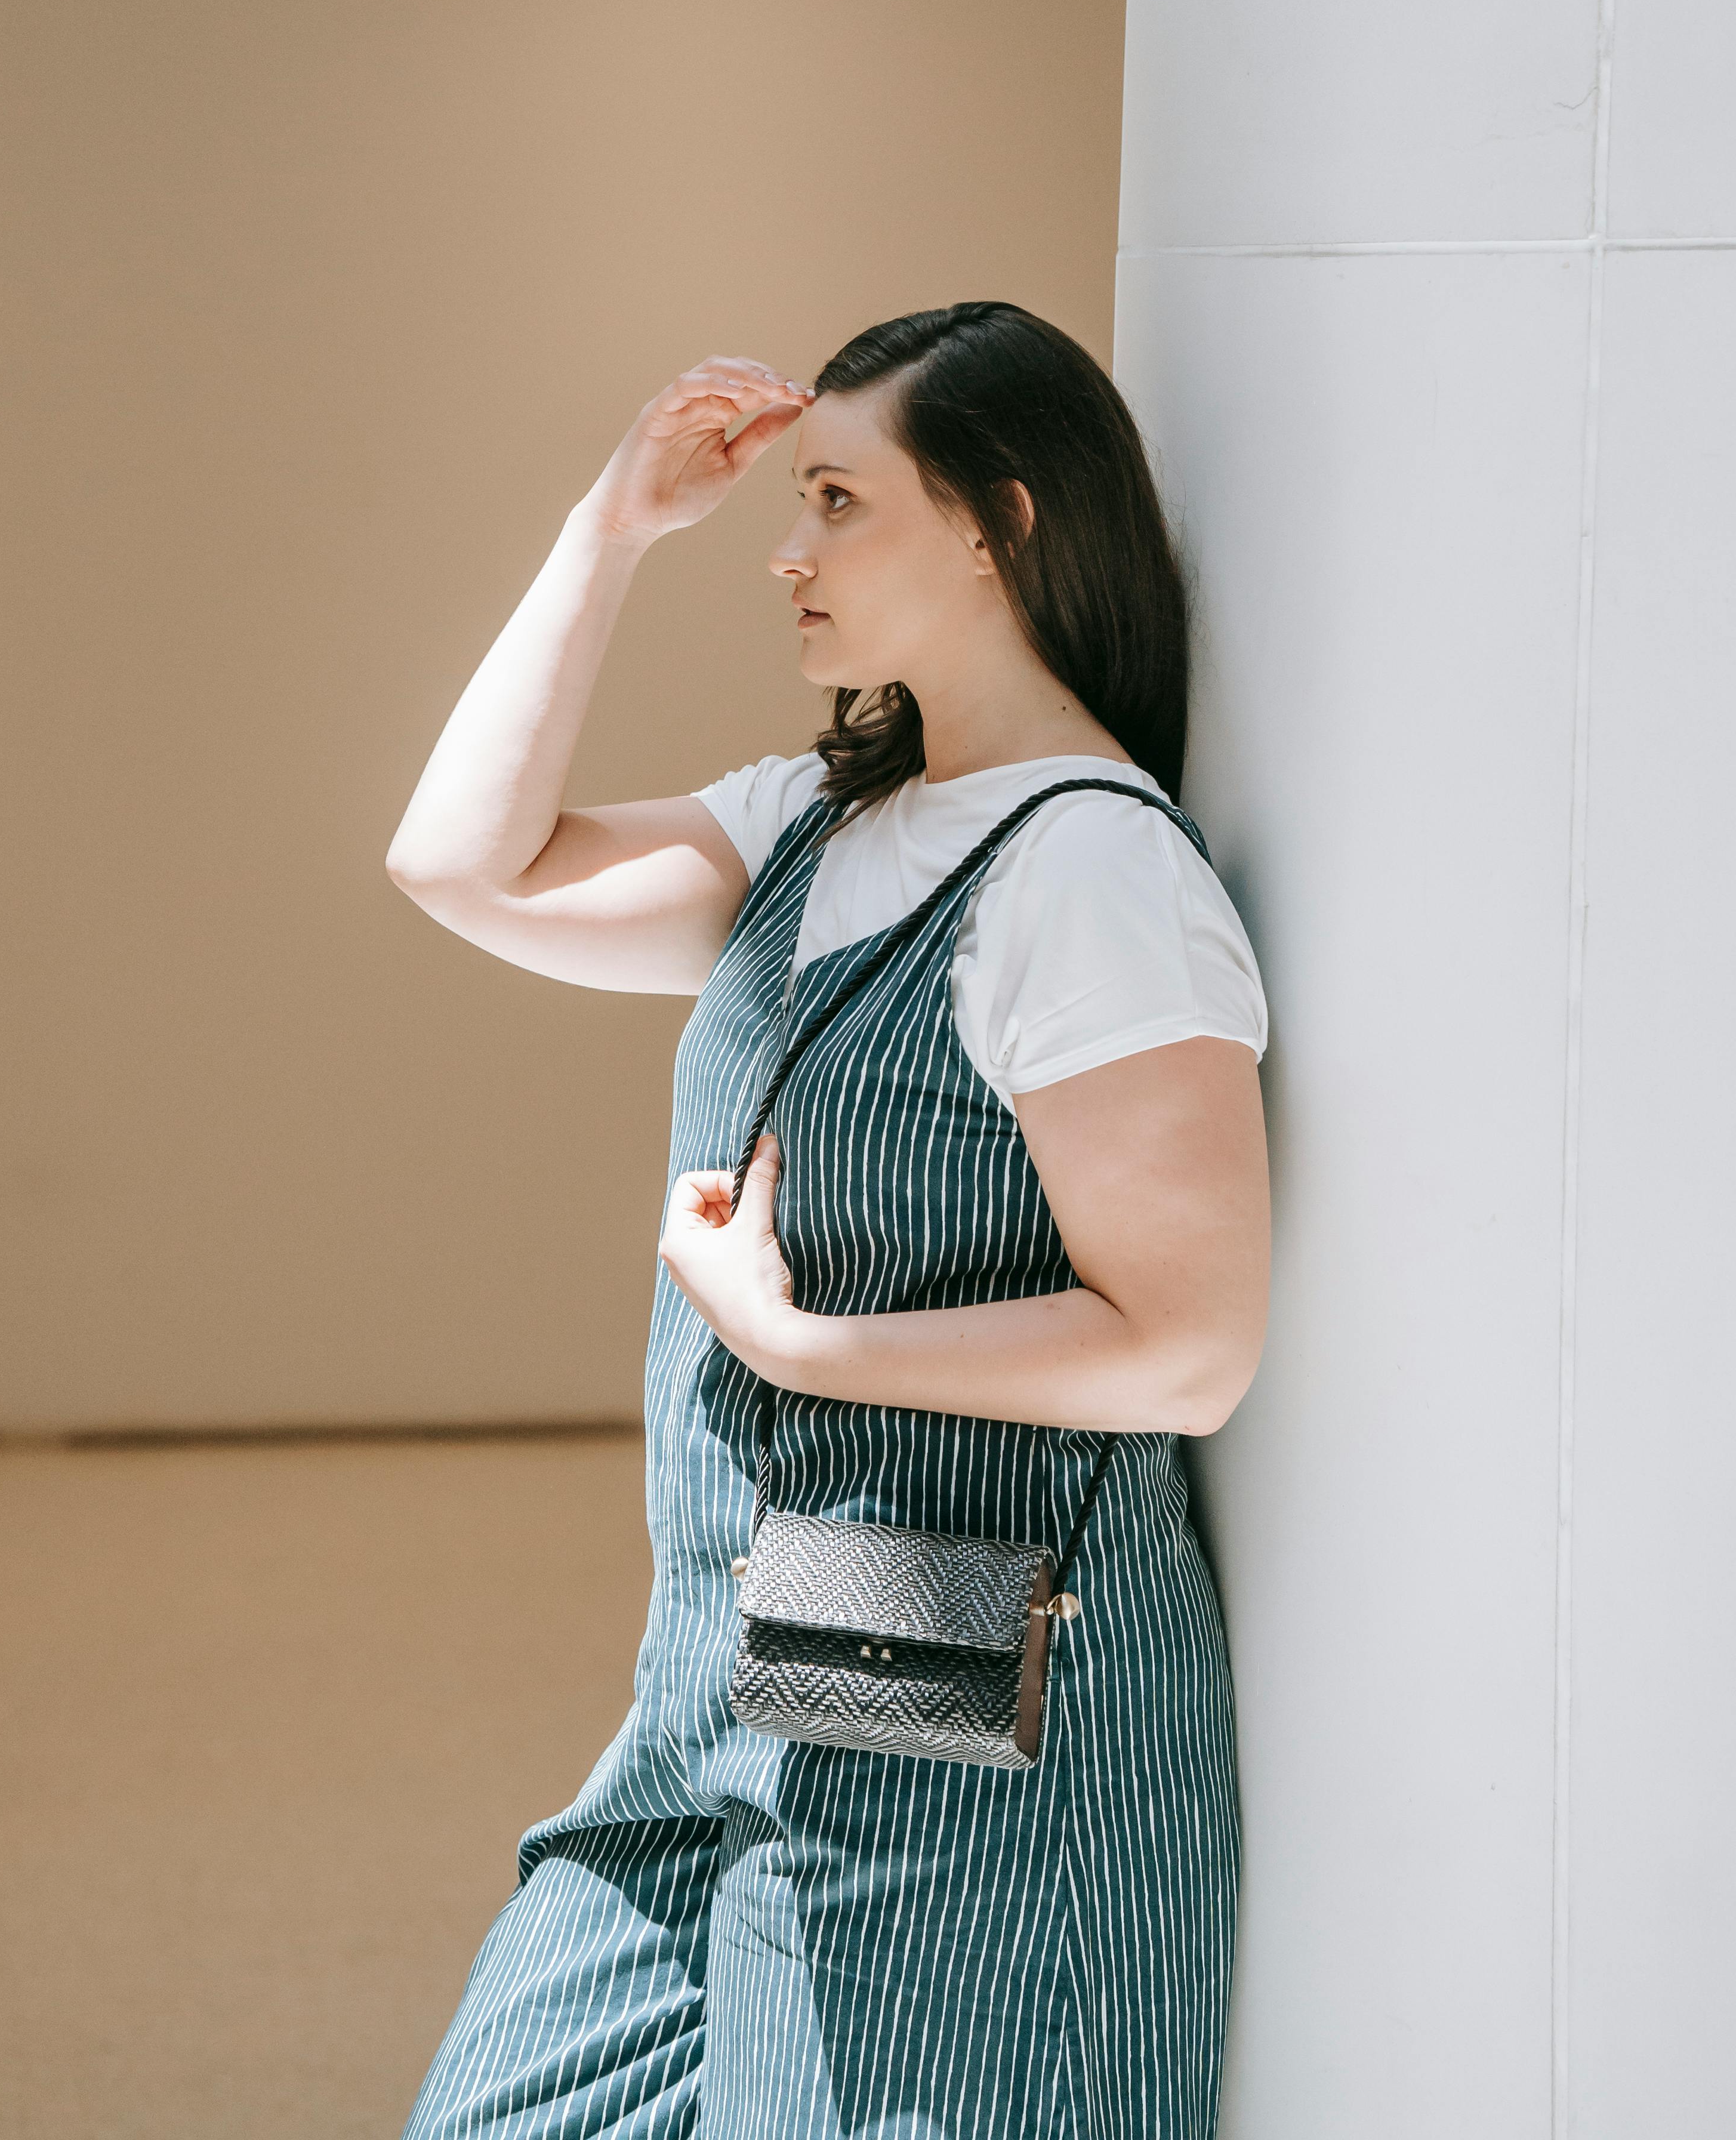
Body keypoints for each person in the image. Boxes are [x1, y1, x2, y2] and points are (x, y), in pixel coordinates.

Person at [387, 304, 1269, 2140]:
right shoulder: (813, 816)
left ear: (998, 527)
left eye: (838, 501)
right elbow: (464, 864)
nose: (787, 550)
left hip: (968, 1714)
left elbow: (1190, 1347)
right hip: (728, 1674)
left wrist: (794, 1340)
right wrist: (606, 532)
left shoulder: (1094, 873)